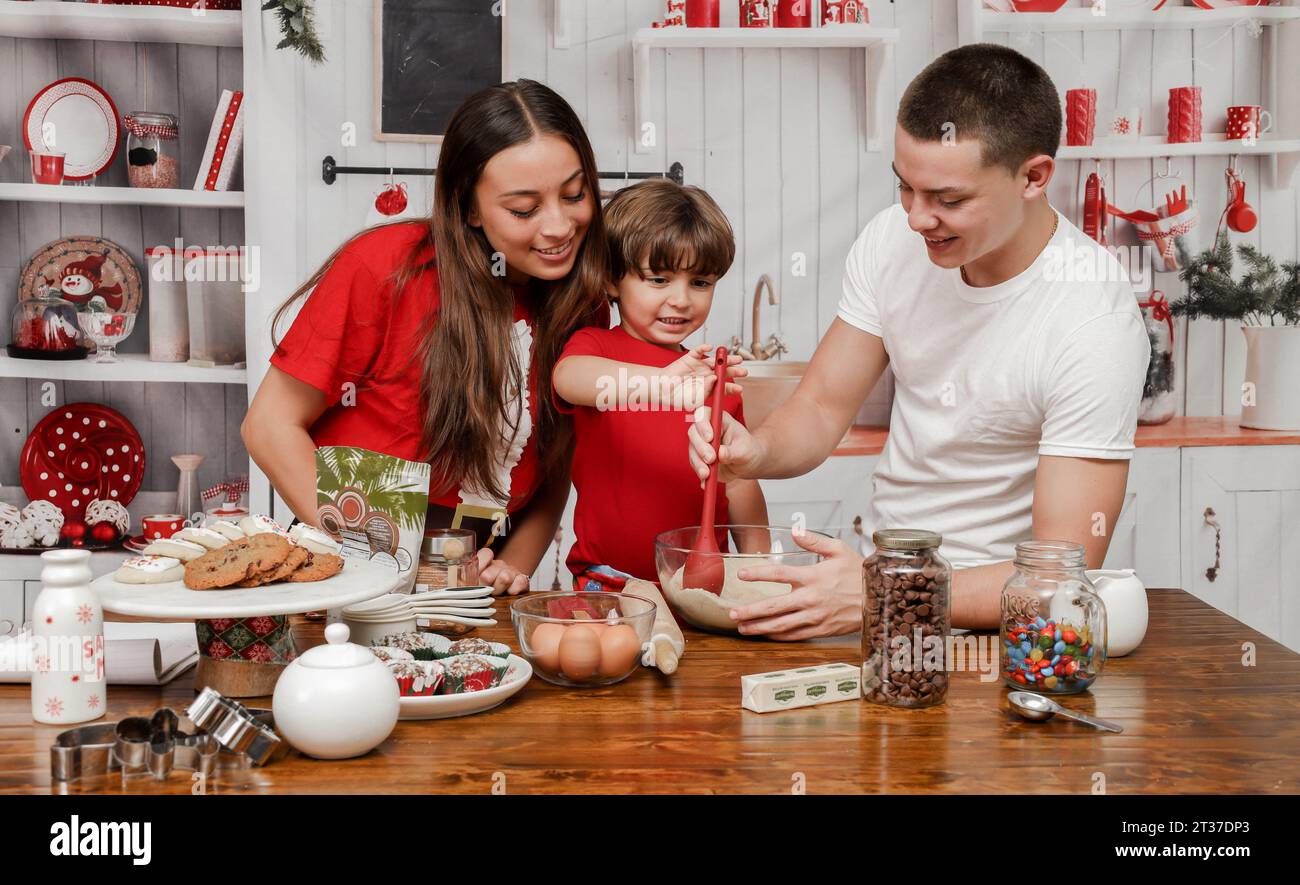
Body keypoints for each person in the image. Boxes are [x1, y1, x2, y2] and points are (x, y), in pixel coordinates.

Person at [687, 44, 1150, 638]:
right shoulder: (891, 242)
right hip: (883, 600)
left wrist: (887, 592)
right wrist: (756, 452)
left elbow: (1058, 574)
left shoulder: (1092, 318)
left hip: (999, 635)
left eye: (948, 200)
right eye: (905, 187)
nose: (914, 218)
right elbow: (823, 404)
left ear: (1033, 177)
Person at [242, 80, 610, 596]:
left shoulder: (584, 301)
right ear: (469, 208)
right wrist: (377, 565)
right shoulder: (384, 267)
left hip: (486, 574)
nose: (558, 227)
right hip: (354, 564)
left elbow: (557, 463)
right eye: (524, 209)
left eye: (574, 194)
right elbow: (269, 426)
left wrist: (514, 568)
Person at [552, 179, 768, 590]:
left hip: (700, 587)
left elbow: (738, 482)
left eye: (700, 283)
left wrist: (760, 570)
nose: (682, 299)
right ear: (612, 280)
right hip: (610, 587)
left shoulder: (711, 379)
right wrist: (663, 383)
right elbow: (569, 380)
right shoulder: (597, 348)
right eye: (658, 280)